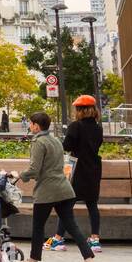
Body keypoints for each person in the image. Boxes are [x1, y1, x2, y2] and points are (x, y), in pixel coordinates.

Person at [12, 112, 97, 262]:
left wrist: (19, 176)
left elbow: (34, 169)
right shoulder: (56, 140)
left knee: (38, 227)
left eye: (31, 124)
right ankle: (89, 261)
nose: (30, 126)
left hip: (47, 191)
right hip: (64, 189)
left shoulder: (38, 141)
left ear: (36, 126)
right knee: (72, 226)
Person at [47, 95, 103, 253]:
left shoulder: (75, 126)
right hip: (93, 169)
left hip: (77, 170)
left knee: (66, 205)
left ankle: (57, 239)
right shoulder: (98, 128)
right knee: (92, 205)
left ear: (80, 110)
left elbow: (67, 146)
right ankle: (95, 240)